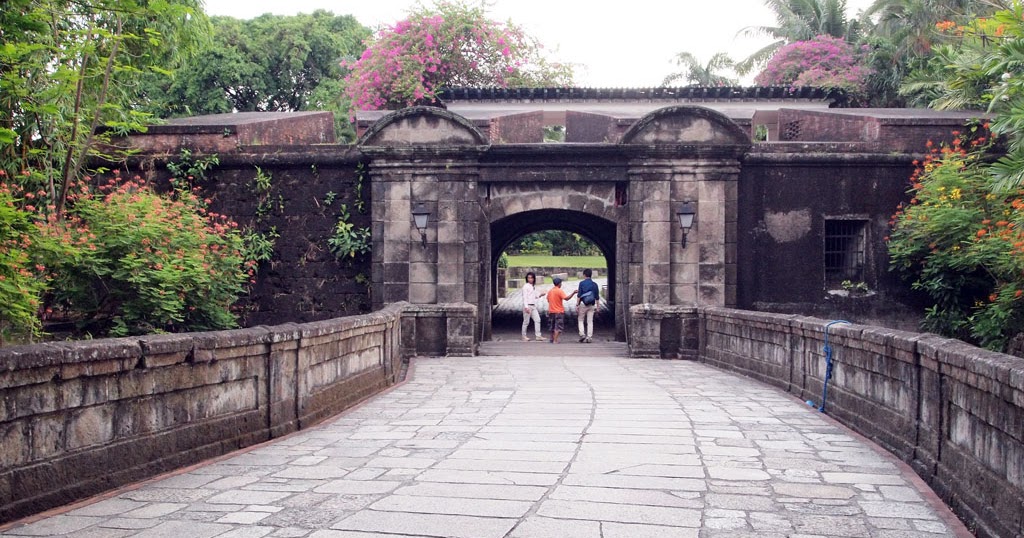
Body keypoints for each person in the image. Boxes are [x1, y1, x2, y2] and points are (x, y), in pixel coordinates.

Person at [545, 277, 576, 343]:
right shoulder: (559, 291)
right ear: (559, 284)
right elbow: (566, 298)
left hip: (551, 311)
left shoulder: (550, 291)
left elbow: (548, 300)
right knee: (558, 326)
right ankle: (555, 340)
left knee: (552, 326)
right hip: (559, 311)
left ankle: (552, 339)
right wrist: (573, 293)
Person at [576, 268, 600, 343]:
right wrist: (598, 307)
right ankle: (589, 337)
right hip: (591, 304)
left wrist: (577, 305)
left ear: (584, 275)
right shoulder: (595, 284)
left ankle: (582, 334)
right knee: (590, 321)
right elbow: (597, 297)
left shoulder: (581, 283)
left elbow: (579, 295)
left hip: (583, 303)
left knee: (580, 320)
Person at [520, 272, 545, 341]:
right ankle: (524, 336)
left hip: (533, 305)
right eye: (528, 278)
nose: (530, 279)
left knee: (537, 320)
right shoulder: (525, 286)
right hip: (528, 305)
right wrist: (526, 307)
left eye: (531, 278)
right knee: (526, 322)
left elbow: (534, 295)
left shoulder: (532, 286)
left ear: (534, 279)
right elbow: (524, 297)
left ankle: (538, 335)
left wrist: (540, 294)